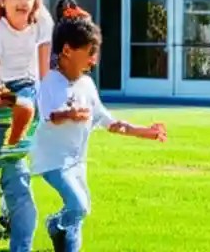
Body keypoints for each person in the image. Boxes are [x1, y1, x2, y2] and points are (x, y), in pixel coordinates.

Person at [32, 15, 166, 252]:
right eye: (90, 51)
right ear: (67, 50)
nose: (94, 59)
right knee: (78, 206)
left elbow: (110, 122)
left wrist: (145, 132)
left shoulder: (87, 85)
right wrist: (69, 114)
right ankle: (55, 223)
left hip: (77, 162)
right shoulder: (50, 82)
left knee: (79, 215)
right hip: (52, 161)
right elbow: (47, 115)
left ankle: (64, 238)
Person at [0, 0, 53, 251]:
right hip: (1, 83)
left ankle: (10, 150)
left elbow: (45, 55)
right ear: (2, 1)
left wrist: (46, 90)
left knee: (31, 108)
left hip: (29, 83)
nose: (22, 2)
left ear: (35, 4)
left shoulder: (40, 22)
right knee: (7, 117)